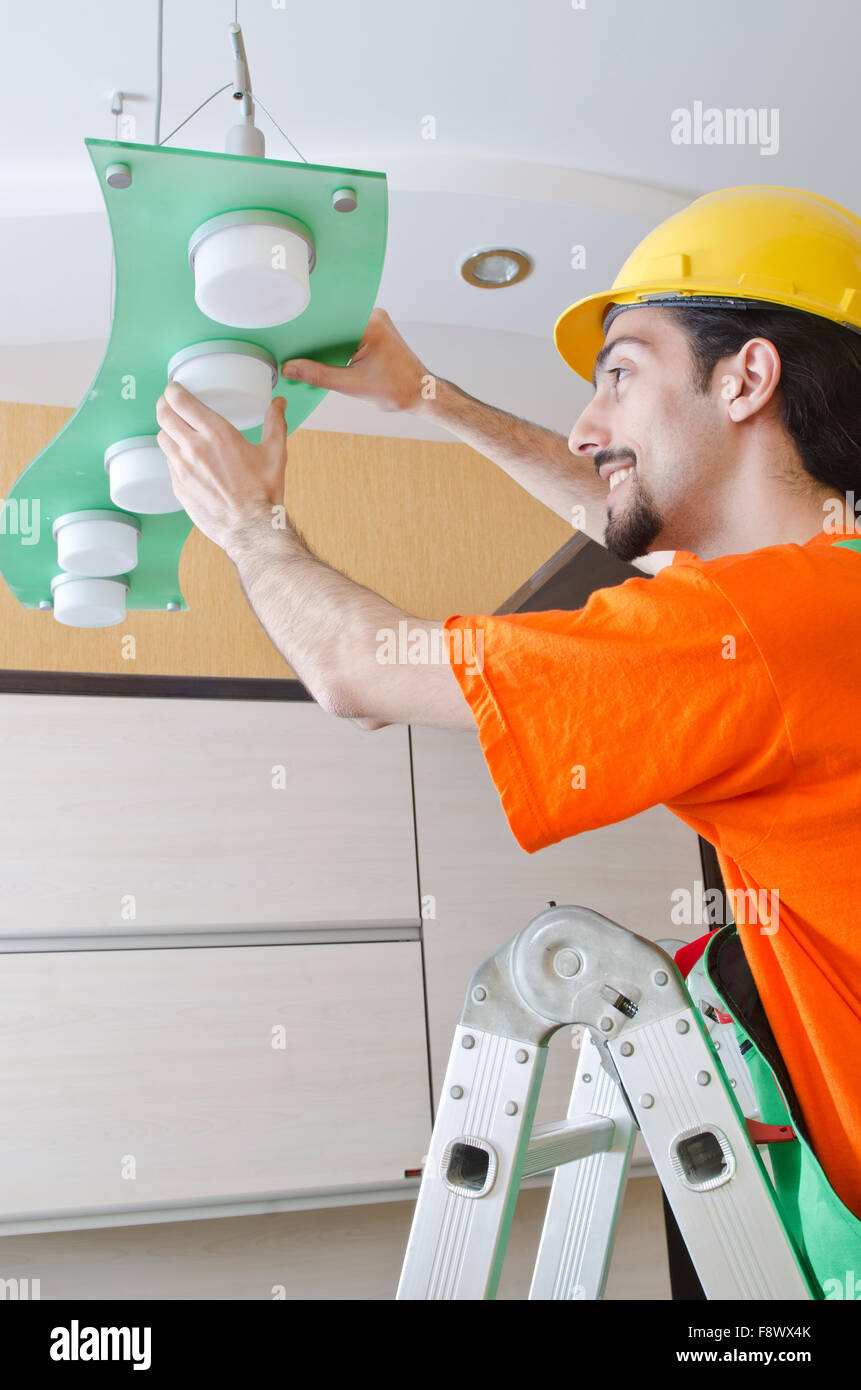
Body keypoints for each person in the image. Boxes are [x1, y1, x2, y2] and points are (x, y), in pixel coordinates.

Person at [155, 185, 861, 1236]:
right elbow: (640, 525)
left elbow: (355, 670)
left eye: (621, 374)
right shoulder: (822, 591)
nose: (588, 424)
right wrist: (428, 397)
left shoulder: (757, 629)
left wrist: (253, 527)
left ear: (747, 377)